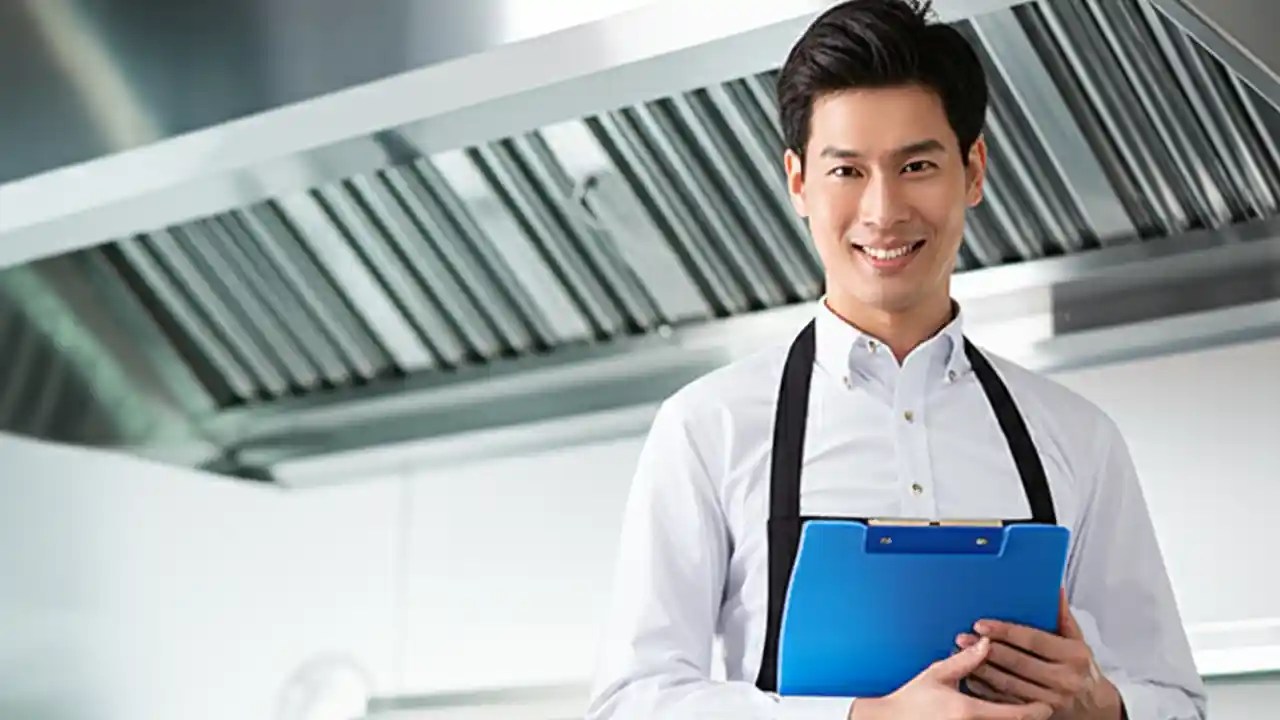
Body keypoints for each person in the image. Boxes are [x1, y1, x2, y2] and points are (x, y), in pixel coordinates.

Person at [584, 1, 1208, 719]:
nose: (883, 211)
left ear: (972, 171)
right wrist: (865, 718)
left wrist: (1105, 706)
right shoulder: (706, 429)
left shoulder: (1078, 438)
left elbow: (1181, 703)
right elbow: (632, 703)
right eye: (847, 170)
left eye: (916, 165)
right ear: (798, 183)